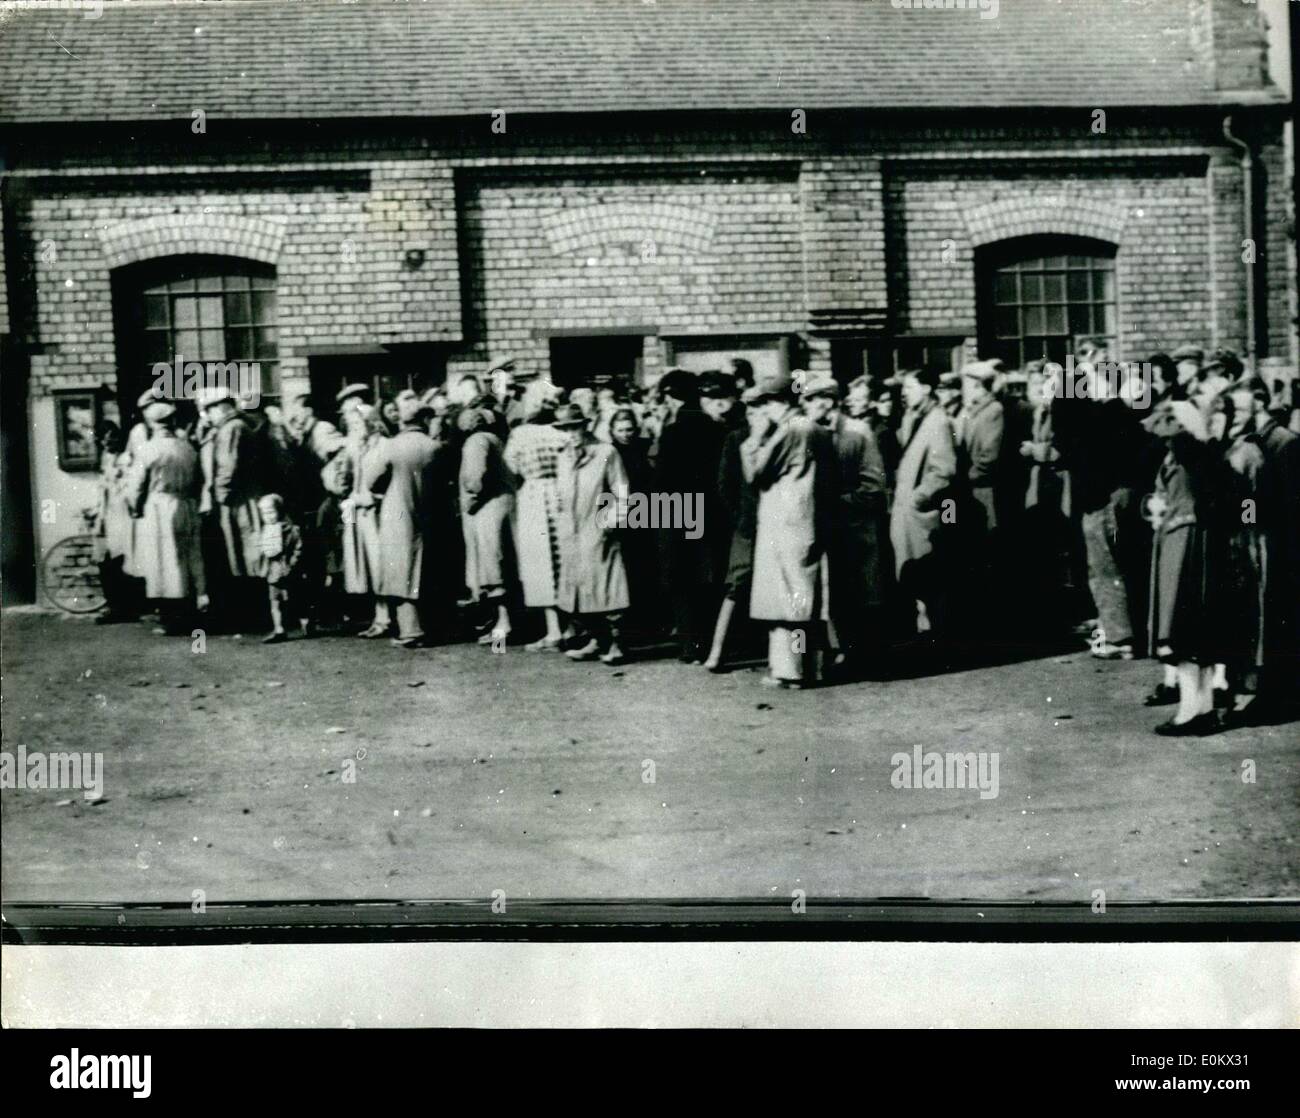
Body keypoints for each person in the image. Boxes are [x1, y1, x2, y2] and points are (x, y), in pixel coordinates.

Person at [741, 369, 836, 689]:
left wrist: (753, 441)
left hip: (785, 523)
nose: (764, 411)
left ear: (779, 402)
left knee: (789, 603)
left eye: (767, 403)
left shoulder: (790, 430)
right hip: (808, 520)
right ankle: (810, 667)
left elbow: (756, 474)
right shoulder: (816, 429)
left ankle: (793, 671)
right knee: (803, 597)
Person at [1146, 402, 1233, 735]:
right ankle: (1204, 706)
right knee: (1196, 628)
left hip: (1183, 543)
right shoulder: (1201, 455)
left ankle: (1190, 711)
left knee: (1181, 626)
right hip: (1191, 540)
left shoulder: (1185, 456)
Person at [799, 372, 888, 672]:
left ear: (833, 401)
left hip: (854, 527)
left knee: (862, 593)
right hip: (818, 527)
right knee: (829, 595)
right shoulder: (803, 432)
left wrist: (840, 503)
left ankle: (867, 656)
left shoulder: (858, 431)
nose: (817, 406)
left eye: (822, 399)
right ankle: (842, 653)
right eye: (810, 400)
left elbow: (873, 484)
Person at [653, 367, 728, 663]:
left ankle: (690, 646)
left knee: (680, 579)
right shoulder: (717, 429)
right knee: (707, 578)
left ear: (672, 397)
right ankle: (711, 643)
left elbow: (660, 482)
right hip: (710, 511)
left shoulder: (672, 431)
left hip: (677, 511)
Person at [552, 403, 631, 665]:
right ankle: (596, 640)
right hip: (571, 532)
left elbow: (622, 492)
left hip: (597, 528)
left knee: (607, 586)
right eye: (564, 429)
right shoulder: (562, 456)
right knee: (578, 589)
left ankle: (616, 644)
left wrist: (610, 523)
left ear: (585, 426)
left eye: (574, 427)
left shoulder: (606, 452)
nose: (570, 433)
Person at [362, 389, 438, 648]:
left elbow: (371, 481)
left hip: (397, 513)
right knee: (424, 568)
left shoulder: (391, 447)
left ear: (401, 420)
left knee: (401, 569)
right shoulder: (434, 447)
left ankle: (410, 630)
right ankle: (429, 626)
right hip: (428, 513)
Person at [125, 401, 205, 635]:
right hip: (186, 503)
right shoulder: (187, 448)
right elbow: (198, 479)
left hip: (159, 506)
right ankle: (189, 612)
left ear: (153, 423)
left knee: (164, 560)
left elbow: (137, 485)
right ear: (171, 422)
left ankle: (171, 618)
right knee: (187, 556)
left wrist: (135, 507)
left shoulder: (148, 450)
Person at [890, 367, 957, 644]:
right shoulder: (917, 418)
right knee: (916, 577)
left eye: (909, 387)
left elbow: (944, 470)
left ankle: (941, 640)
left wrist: (918, 498)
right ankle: (929, 635)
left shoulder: (938, 422)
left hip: (920, 515)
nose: (904, 393)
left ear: (927, 388)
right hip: (909, 513)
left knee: (928, 577)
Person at [503, 380, 569, 651]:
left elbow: (510, 469)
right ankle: (572, 626)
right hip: (563, 496)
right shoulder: (562, 432)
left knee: (541, 563)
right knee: (563, 559)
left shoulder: (520, 435)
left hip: (533, 498)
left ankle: (553, 631)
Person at [703, 386, 762, 672]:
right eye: (752, 409)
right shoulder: (737, 438)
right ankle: (717, 652)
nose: (758, 414)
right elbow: (725, 486)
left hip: (780, 524)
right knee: (736, 585)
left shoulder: (785, 436)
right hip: (749, 526)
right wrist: (741, 517)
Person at [199, 387, 269, 627]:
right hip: (241, 497)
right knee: (242, 552)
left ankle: (254, 615)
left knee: (245, 553)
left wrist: (219, 496)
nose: (207, 416)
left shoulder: (232, 429)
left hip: (239, 501)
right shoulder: (236, 427)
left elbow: (228, 467)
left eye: (208, 410)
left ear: (218, 408)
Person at [458, 406, 517, 645]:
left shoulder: (476, 441)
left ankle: (504, 625)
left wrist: (469, 502)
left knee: (493, 569)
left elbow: (475, 478)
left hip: (487, 510)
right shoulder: (495, 439)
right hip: (503, 506)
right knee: (502, 565)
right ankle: (502, 622)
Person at [339, 402, 392, 638]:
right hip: (358, 514)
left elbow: (387, 486)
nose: (353, 428)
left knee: (380, 564)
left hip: (377, 514)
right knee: (367, 567)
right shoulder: (354, 446)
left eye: (357, 423)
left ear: (370, 422)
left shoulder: (385, 446)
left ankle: (386, 618)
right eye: (350, 424)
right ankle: (378, 616)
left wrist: (360, 499)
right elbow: (342, 477)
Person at [608, 406, 657, 634]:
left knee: (646, 566)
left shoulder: (645, 448)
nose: (625, 434)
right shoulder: (609, 452)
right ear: (612, 430)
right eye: (620, 430)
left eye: (629, 429)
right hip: (622, 513)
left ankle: (648, 618)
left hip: (646, 512)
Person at [94, 420, 143, 623]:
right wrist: (98, 513)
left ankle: (123, 608)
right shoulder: (105, 459)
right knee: (105, 560)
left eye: (112, 438)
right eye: (104, 439)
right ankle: (113, 604)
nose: (108, 443)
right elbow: (103, 488)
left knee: (121, 559)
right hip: (108, 513)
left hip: (122, 513)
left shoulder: (126, 458)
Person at [257, 493, 308, 644]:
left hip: (289, 570)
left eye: (272, 512)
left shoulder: (291, 530)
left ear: (280, 511)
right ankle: (279, 629)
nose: (268, 516)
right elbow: (264, 551)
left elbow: (298, 548)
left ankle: (305, 623)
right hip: (273, 572)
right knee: (275, 601)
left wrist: (293, 563)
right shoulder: (265, 531)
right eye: (265, 513)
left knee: (297, 599)